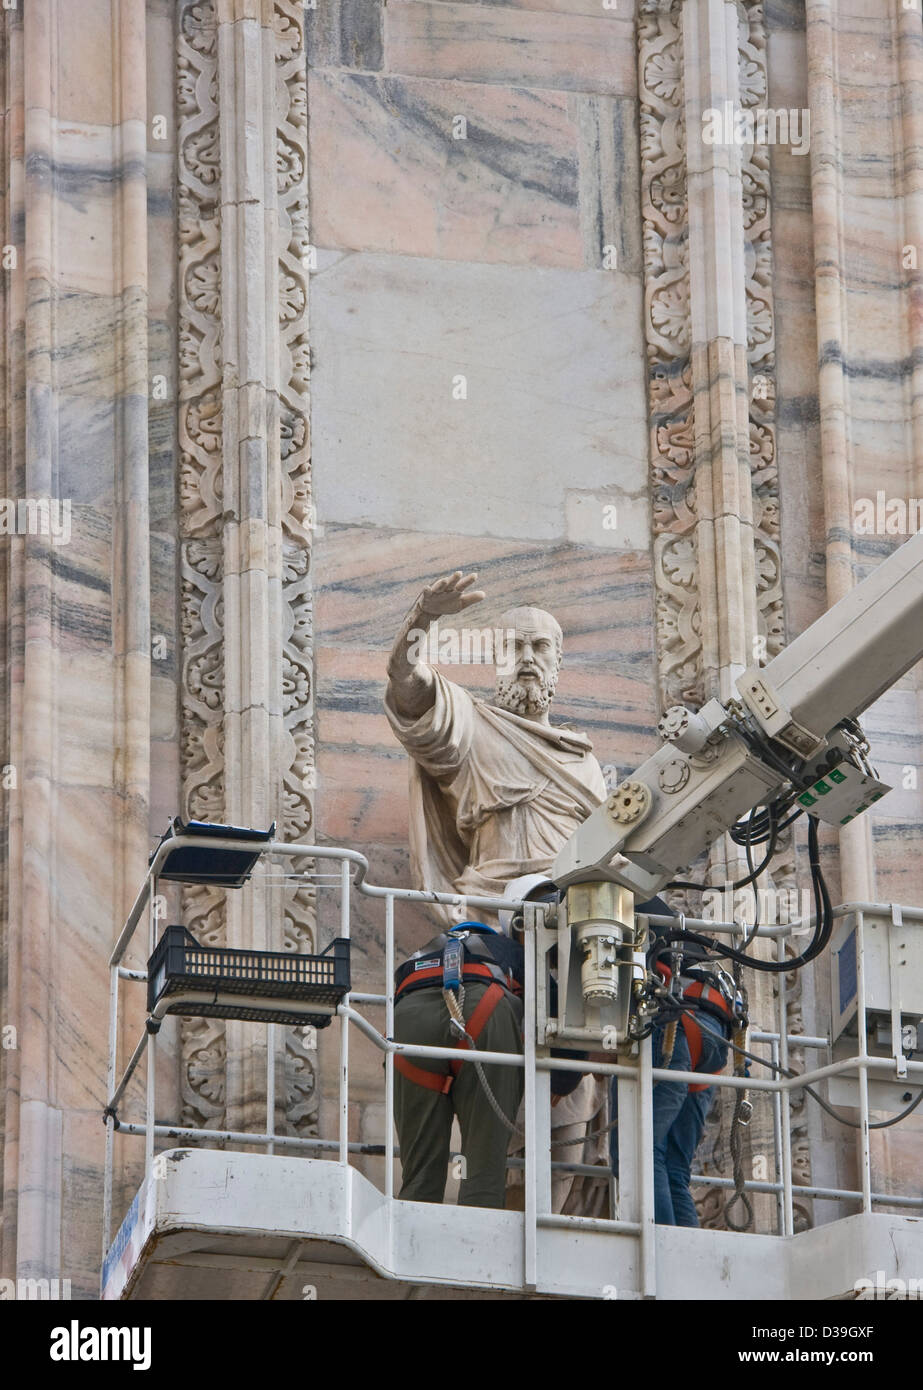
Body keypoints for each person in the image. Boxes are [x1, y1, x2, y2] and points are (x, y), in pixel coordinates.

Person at [609, 901, 734, 1227]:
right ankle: (686, 1259)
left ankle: (659, 1253)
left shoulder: (613, 898)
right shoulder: (660, 915)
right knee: (675, 1168)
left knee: (639, 1152)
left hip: (673, 1020)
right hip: (713, 1030)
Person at [392, 917, 524, 1209]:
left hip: (410, 1023)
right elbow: (557, 1007)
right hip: (483, 1010)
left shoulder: (422, 952)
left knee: (419, 1169)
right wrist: (567, 1081)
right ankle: (478, 1248)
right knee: (481, 1165)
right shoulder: (510, 949)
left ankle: (414, 1244)